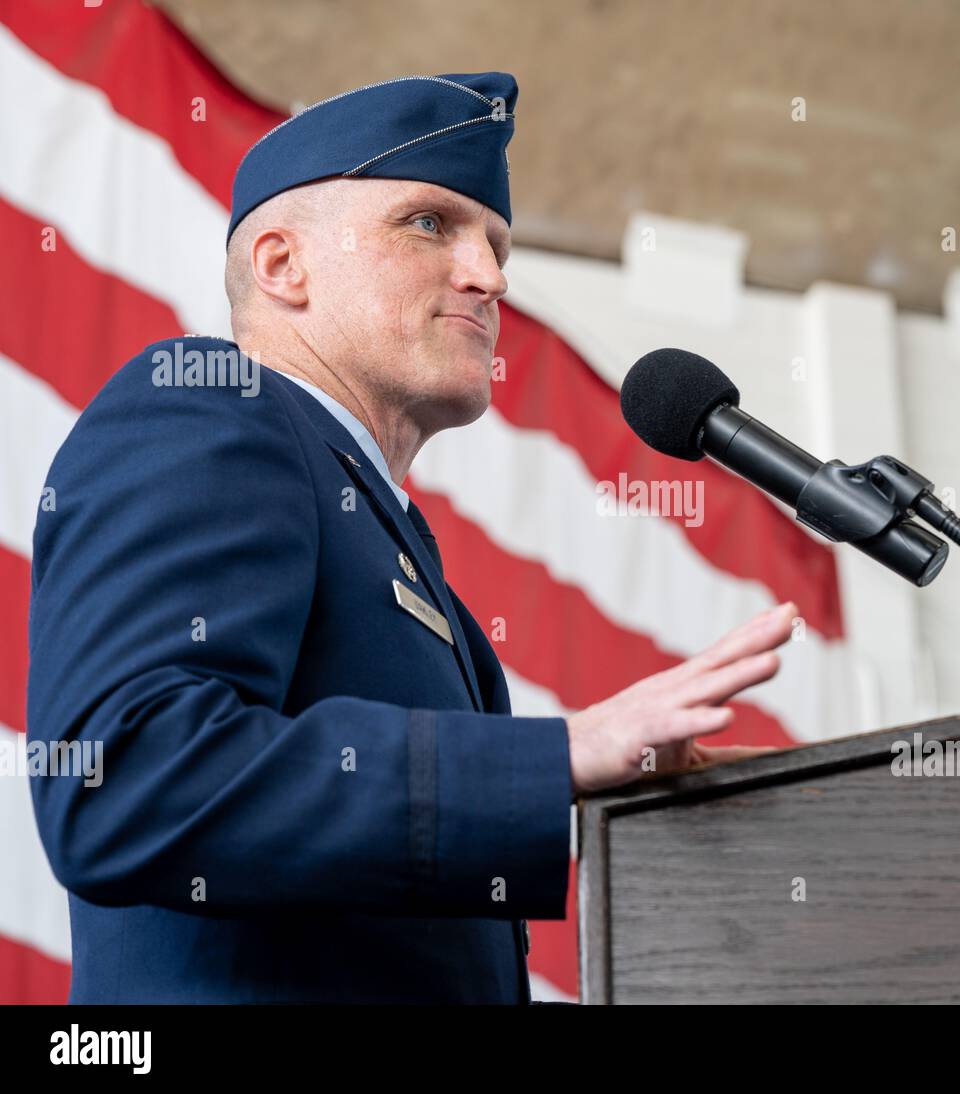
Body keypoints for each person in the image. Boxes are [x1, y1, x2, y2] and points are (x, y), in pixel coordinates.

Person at [25, 71, 795, 1004]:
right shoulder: (206, 408)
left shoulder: (390, 539)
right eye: (430, 223)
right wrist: (557, 756)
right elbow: (125, 774)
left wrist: (621, 793)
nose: (490, 275)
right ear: (281, 265)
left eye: (497, 245)